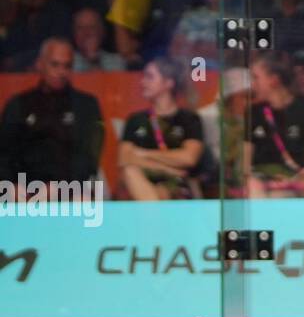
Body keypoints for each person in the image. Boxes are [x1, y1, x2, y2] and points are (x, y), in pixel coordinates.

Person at [0, 38, 104, 187]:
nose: (61, 72)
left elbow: (89, 159)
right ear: (40, 64)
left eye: (67, 66)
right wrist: (12, 187)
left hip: (71, 191)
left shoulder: (86, 105)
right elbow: (4, 155)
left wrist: (58, 188)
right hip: (22, 194)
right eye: (54, 64)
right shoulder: (18, 104)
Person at [117, 56, 206, 200]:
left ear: (168, 83)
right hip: (142, 180)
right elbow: (124, 158)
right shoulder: (136, 119)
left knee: (161, 193)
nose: (142, 82)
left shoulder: (189, 119)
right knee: (130, 171)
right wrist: (167, 167)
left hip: (176, 185)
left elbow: (188, 158)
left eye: (150, 77)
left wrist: (143, 153)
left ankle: (155, 219)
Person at [243, 51, 304, 198]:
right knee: (253, 187)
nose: (252, 84)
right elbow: (245, 162)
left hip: (294, 181)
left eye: (255, 78)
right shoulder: (253, 113)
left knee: (280, 195)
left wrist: (292, 181)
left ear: (274, 80)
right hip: (259, 181)